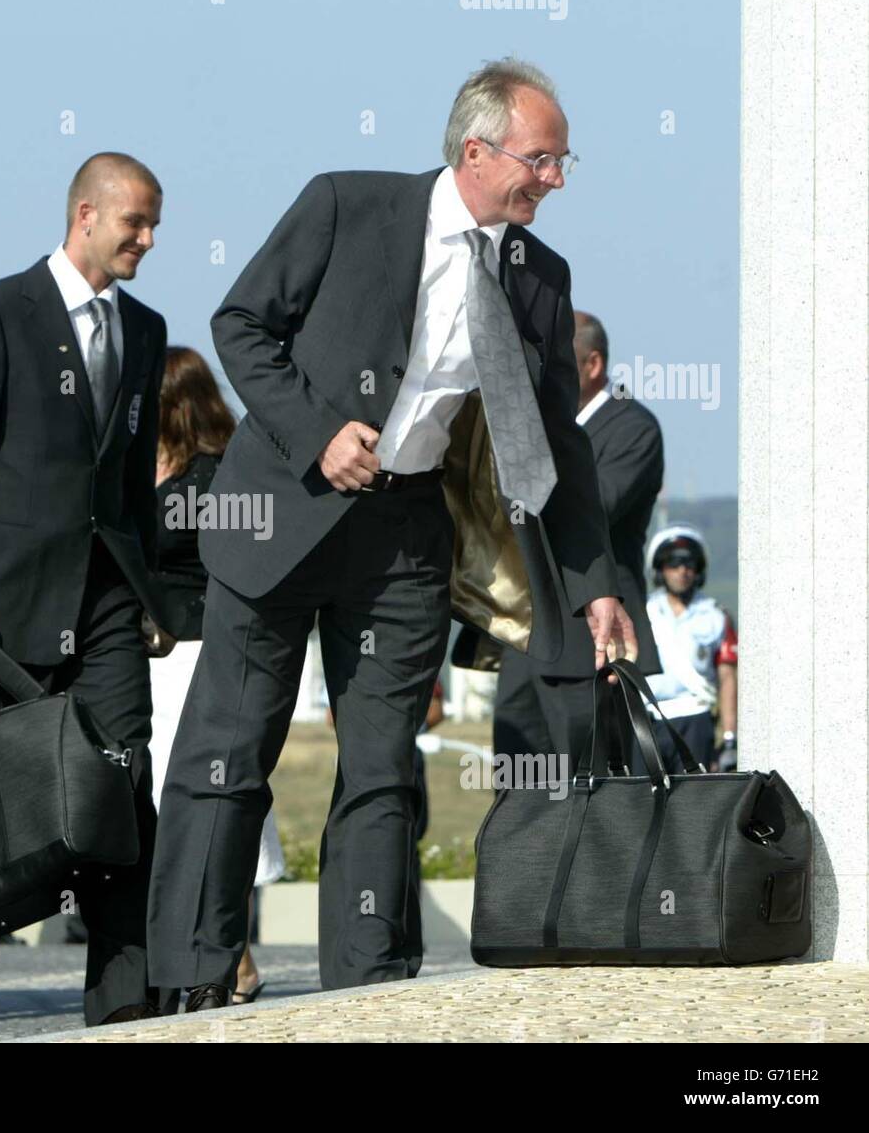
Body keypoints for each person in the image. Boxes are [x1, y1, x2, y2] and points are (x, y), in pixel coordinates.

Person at [147, 58, 636, 1011]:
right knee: (230, 753)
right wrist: (319, 431)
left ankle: (370, 994)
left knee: (382, 767)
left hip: (406, 539)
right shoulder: (346, 204)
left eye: (563, 161)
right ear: (477, 151)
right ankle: (189, 983)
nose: (556, 179)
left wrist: (597, 582)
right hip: (279, 515)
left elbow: (556, 446)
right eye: (543, 159)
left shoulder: (540, 277)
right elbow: (241, 323)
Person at [0, 152, 169, 1041]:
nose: (147, 239)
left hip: (104, 610)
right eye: (134, 222)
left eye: (155, 225)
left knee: (123, 793)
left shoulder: (147, 329)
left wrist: (150, 596)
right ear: (84, 214)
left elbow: (132, 485)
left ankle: (124, 1005)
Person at [144, 345, 285, 1005]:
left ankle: (236, 955)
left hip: (203, 651)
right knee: (159, 804)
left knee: (211, 792)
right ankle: (188, 953)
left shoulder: (217, 472)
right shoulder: (144, 468)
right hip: (151, 661)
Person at [487, 311, 664, 774]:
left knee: (589, 791)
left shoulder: (633, 429)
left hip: (592, 641)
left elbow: (593, 510)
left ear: (593, 364)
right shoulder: (542, 426)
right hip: (529, 636)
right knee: (518, 791)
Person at [643, 525, 738, 772]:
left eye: (689, 564)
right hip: (647, 721)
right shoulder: (642, 613)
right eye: (673, 564)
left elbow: (728, 678)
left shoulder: (716, 616)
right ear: (660, 569)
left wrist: (729, 736)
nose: (682, 571)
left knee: (692, 803)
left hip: (696, 719)